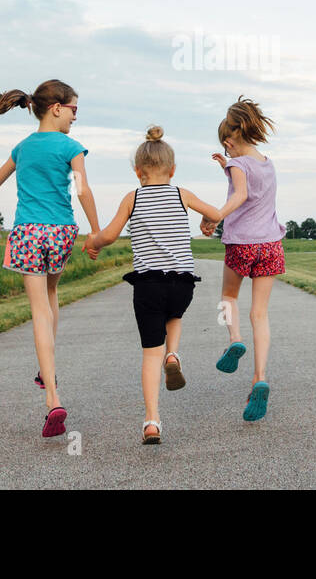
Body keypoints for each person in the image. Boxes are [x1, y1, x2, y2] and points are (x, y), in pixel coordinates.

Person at [87, 126, 222, 444]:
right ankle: (173, 355)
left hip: (148, 285)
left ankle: (152, 422)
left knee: (150, 354)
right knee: (174, 315)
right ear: (173, 170)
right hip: (182, 284)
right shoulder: (182, 194)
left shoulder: (132, 197)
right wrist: (208, 221)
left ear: (137, 171)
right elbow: (215, 213)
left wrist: (94, 242)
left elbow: (108, 235)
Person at [0, 78, 99, 438]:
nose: (75, 118)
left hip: (28, 232)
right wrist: (95, 233)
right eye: (74, 110)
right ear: (57, 108)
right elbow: (82, 190)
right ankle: (45, 371)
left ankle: (52, 396)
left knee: (38, 310)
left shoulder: (22, 147)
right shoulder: (70, 146)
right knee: (51, 297)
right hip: (62, 231)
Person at [201, 96, 284, 422]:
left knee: (228, 297)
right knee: (260, 314)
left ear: (228, 140)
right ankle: (259, 378)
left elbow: (240, 194)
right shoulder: (266, 162)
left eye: (227, 149)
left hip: (242, 244)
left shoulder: (238, 164)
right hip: (271, 244)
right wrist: (227, 166)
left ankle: (234, 340)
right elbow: (252, 185)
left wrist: (214, 216)